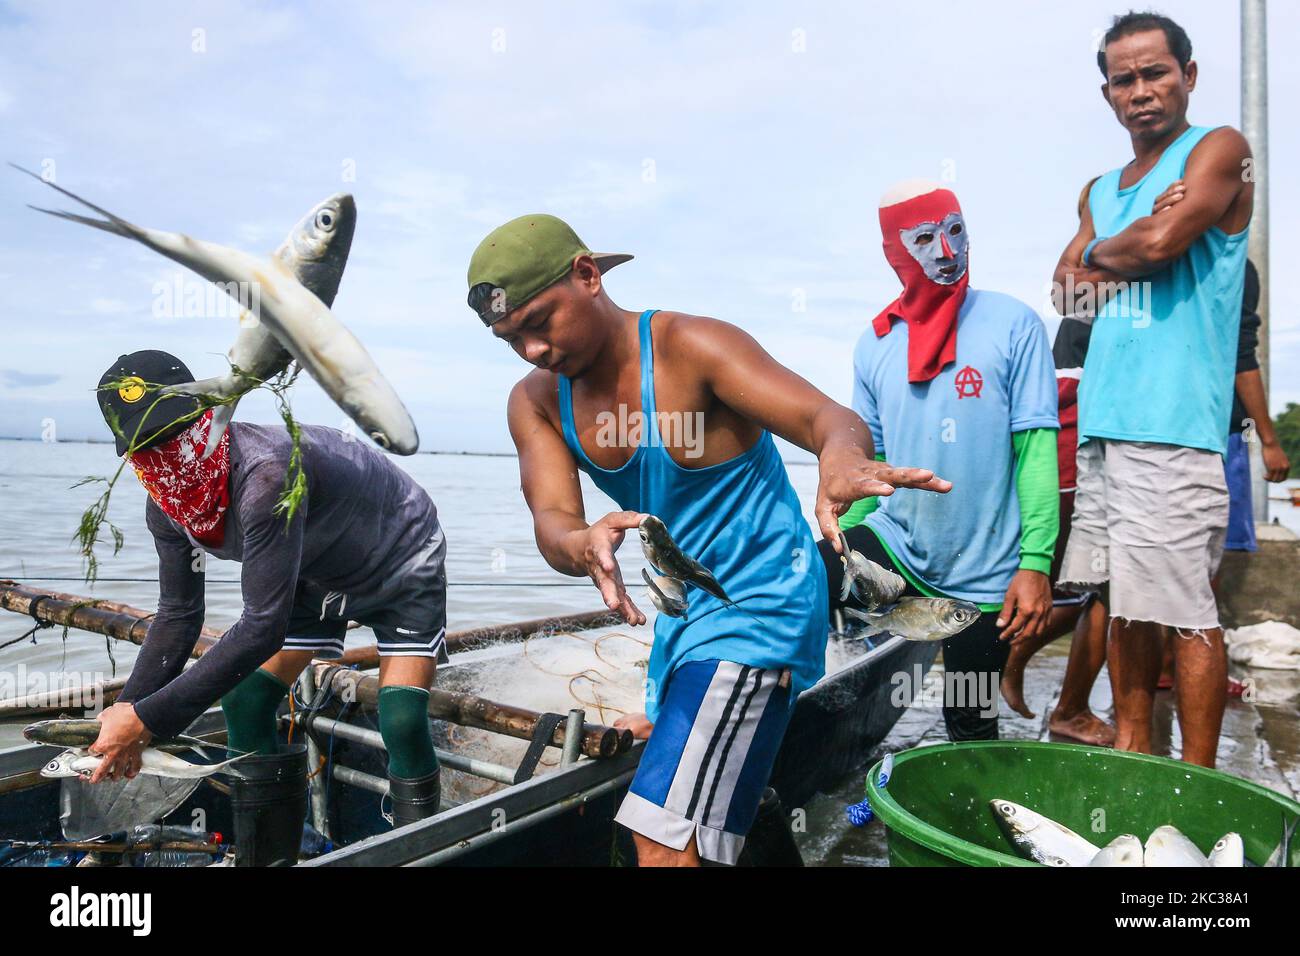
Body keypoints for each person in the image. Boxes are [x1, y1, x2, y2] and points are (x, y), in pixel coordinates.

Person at [470, 214, 948, 866]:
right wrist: (582, 542)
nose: (531, 350)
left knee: (659, 834)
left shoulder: (691, 348)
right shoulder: (536, 401)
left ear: (587, 276)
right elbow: (553, 520)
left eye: (539, 322)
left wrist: (840, 461)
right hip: (683, 621)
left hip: (762, 605)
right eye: (510, 338)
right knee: (731, 814)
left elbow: (825, 418)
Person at [88, 350, 447, 830]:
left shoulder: (267, 476)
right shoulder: (167, 508)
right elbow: (177, 613)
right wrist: (130, 707)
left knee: (399, 718)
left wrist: (150, 721)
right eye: (147, 443)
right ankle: (272, 850)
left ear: (207, 413)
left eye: (176, 431)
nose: (166, 453)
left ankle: (417, 842)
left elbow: (262, 626)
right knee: (245, 700)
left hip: (398, 552)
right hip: (309, 567)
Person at [1050, 11, 1253, 767]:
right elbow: (1067, 294)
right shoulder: (1100, 188)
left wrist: (1116, 252)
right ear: (1107, 92)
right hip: (1105, 421)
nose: (1141, 91)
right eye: (1124, 79)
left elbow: (1166, 244)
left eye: (1156, 73)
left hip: (1174, 425)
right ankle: (1135, 754)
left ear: (1188, 76)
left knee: (1187, 614)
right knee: (1125, 609)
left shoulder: (1220, 149)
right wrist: (1116, 249)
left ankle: (1199, 783)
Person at [824, 180, 1059, 742]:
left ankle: (968, 816)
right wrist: (843, 541)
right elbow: (870, 463)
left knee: (969, 719)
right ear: (896, 252)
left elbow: (1035, 453)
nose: (947, 252)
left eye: (956, 233)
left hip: (985, 571)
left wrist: (1036, 563)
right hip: (896, 543)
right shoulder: (874, 344)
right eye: (925, 238)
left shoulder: (1015, 324)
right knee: (802, 590)